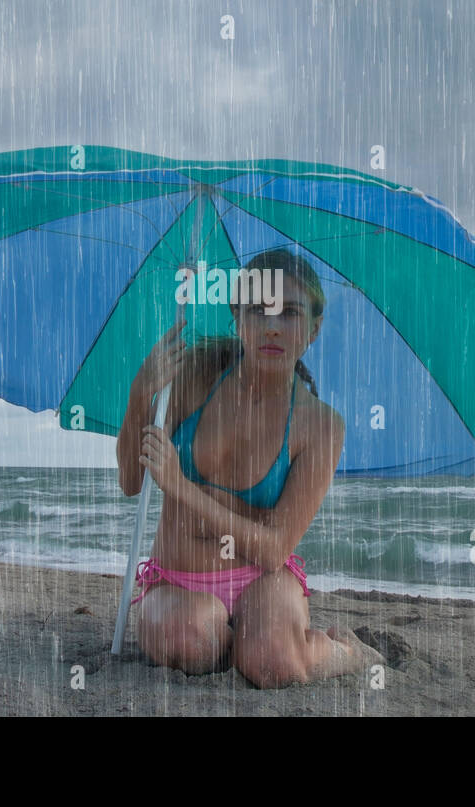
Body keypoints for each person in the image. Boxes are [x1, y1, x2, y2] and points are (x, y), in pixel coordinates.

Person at [116, 248, 383, 688]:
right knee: (194, 639)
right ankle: (229, 638)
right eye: (258, 310)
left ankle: (343, 651)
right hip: (177, 581)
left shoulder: (320, 426)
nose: (272, 326)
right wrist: (138, 396)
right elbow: (130, 482)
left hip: (262, 582)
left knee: (274, 664)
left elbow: (276, 548)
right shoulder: (194, 375)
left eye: (290, 313)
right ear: (238, 318)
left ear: (314, 329)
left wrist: (182, 488)